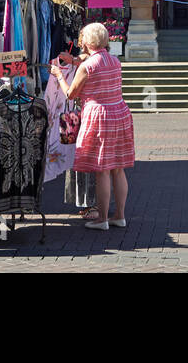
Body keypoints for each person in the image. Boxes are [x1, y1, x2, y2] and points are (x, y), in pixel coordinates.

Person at [50, 22, 134, 230]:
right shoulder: (114, 61)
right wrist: (75, 61)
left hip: (99, 116)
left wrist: (59, 75)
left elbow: (71, 94)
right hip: (119, 112)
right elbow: (95, 62)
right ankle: (120, 215)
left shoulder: (88, 66)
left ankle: (102, 218)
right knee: (118, 169)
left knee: (102, 170)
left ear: (87, 41)